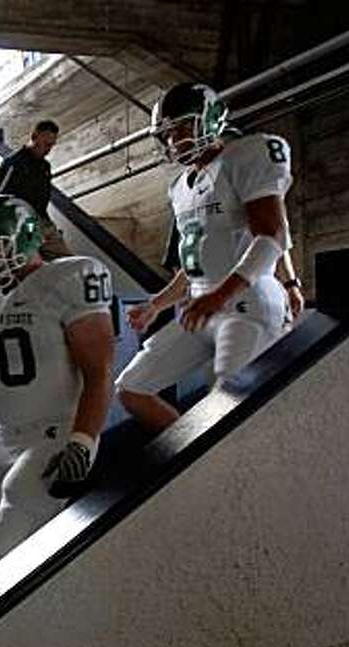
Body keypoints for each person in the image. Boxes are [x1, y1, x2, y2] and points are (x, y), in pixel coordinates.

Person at [115, 82, 298, 434]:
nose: (174, 141)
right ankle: (191, 450)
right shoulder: (180, 187)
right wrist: (157, 304)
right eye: (167, 135)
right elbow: (196, 263)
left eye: (182, 128)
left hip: (247, 303)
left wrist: (222, 295)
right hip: (202, 305)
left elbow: (272, 236)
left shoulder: (245, 155)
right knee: (131, 388)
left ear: (210, 119)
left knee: (229, 412)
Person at [0, 195, 115, 566]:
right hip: (6, 437)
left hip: (54, 432)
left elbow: (99, 372)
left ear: (25, 238)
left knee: (6, 542)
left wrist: (83, 442)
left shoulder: (68, 278)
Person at [0, 120, 71, 259]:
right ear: (34, 137)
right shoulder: (14, 163)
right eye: (46, 144)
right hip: (20, 222)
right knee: (30, 256)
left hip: (40, 222)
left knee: (66, 259)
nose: (48, 149)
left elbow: (41, 201)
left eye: (51, 145)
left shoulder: (45, 167)